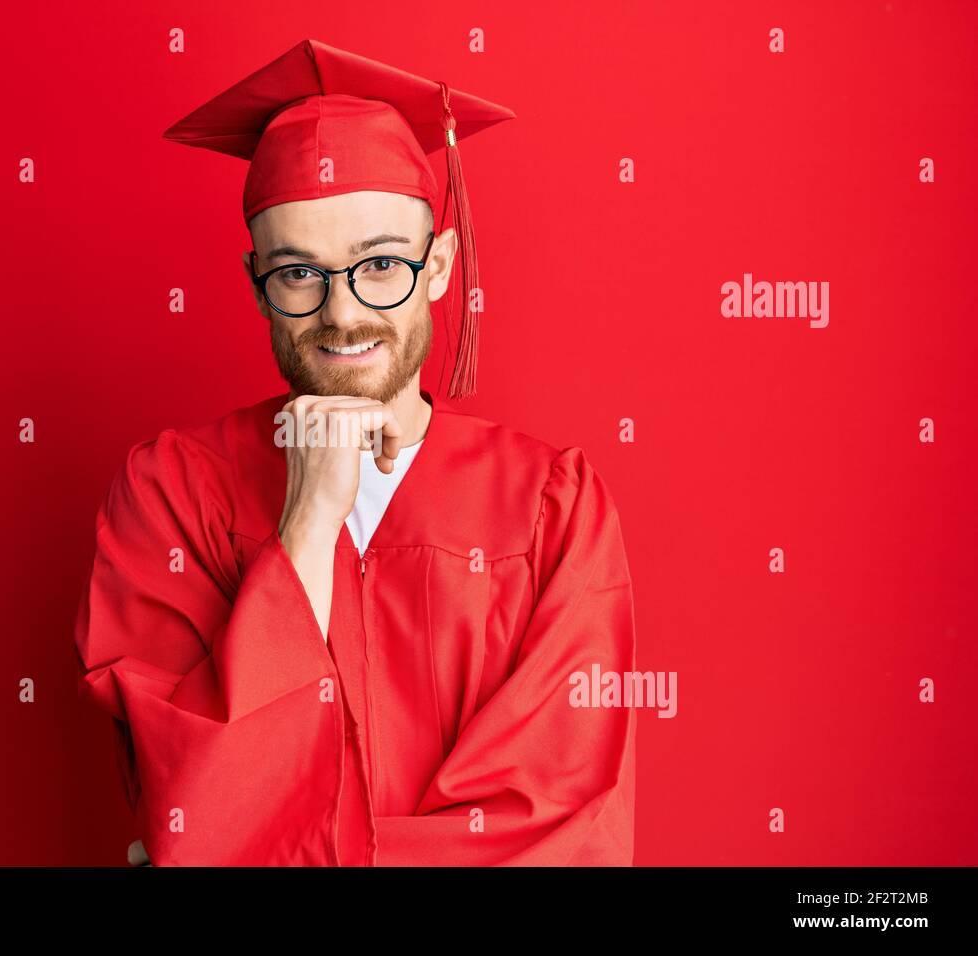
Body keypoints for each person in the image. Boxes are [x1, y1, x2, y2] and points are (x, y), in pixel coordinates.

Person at [74, 38, 637, 866]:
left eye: (380, 264)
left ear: (440, 267)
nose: (342, 314)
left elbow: (557, 820)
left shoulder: (552, 503)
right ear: (255, 278)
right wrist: (308, 519)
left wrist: (281, 846)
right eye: (300, 273)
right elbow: (192, 797)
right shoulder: (170, 492)